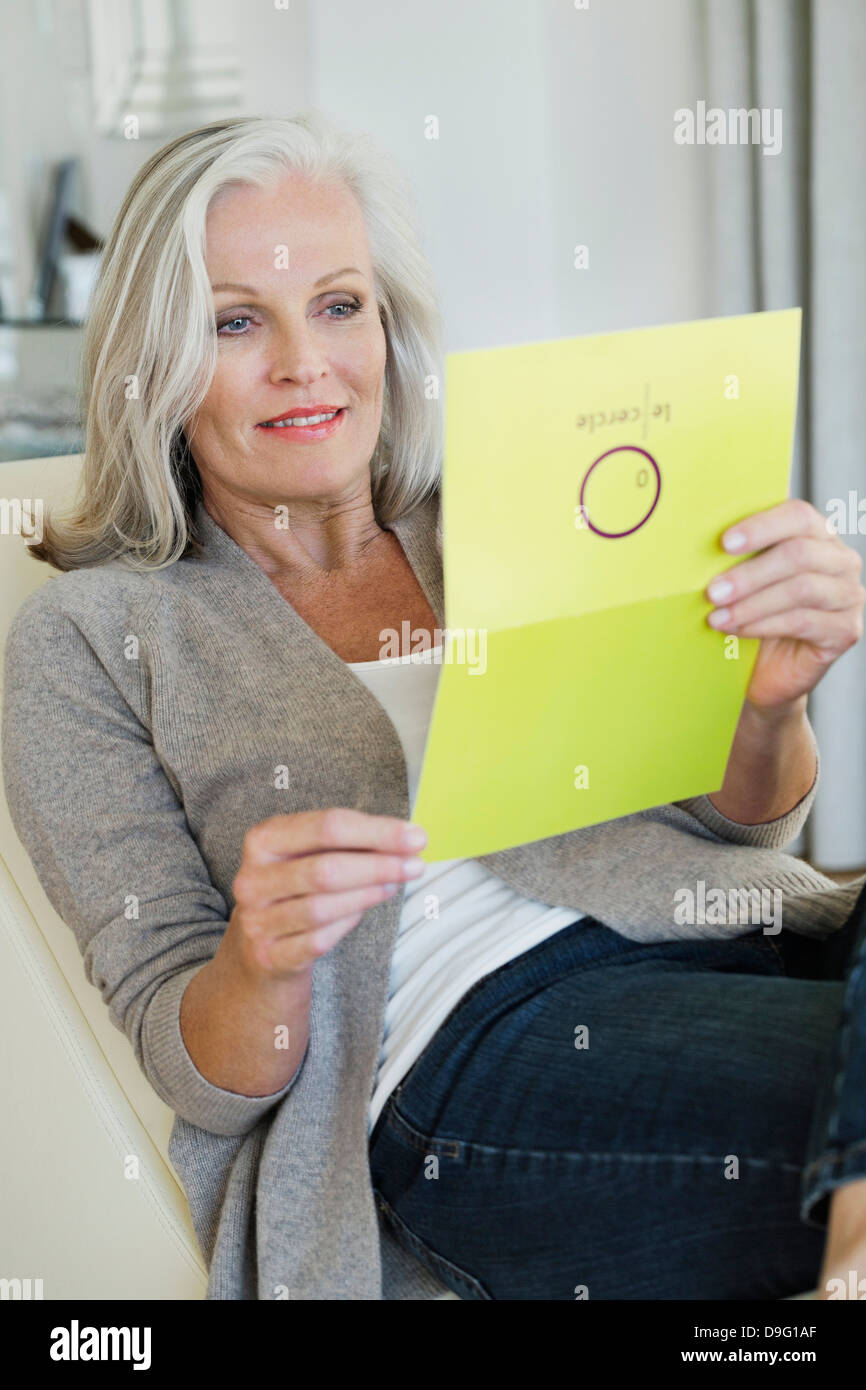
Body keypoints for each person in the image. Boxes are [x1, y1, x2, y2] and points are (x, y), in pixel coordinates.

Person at [3, 112, 866, 1301]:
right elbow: (203, 1071)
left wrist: (769, 703)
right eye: (236, 320)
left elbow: (734, 835)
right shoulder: (88, 638)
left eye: (341, 305)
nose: (307, 361)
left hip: (752, 946)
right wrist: (263, 953)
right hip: (471, 1070)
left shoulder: (506, 513)